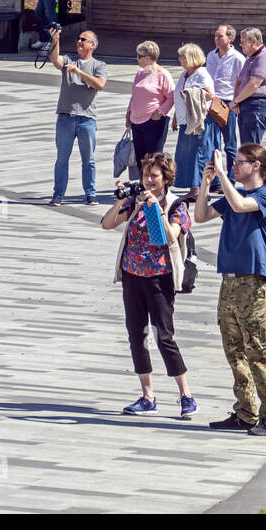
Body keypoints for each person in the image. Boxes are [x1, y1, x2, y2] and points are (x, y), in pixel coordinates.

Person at [196, 143, 266, 437]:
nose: (235, 166)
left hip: (253, 282)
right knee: (234, 350)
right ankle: (245, 412)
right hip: (229, 280)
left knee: (260, 350)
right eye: (234, 162)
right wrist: (206, 183)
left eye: (240, 162)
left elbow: (239, 205)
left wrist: (222, 174)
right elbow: (200, 216)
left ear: (257, 165)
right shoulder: (233, 193)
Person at [100, 151, 196, 419]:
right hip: (132, 276)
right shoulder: (135, 202)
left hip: (159, 279)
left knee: (163, 336)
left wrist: (156, 209)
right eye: (145, 175)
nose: (149, 180)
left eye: (154, 176)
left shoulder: (177, 205)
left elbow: (168, 237)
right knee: (136, 335)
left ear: (166, 179)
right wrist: (122, 200)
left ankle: (186, 395)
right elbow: (107, 224)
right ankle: (147, 396)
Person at [48, 27, 108, 206]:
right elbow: (55, 60)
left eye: (83, 39)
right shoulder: (69, 60)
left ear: (93, 45)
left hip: (86, 119)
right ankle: (58, 194)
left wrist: (79, 72)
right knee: (61, 159)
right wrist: (55, 39)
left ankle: (90, 194)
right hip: (65, 117)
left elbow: (100, 84)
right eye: (78, 39)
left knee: (88, 160)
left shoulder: (99, 65)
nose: (79, 42)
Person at [172, 42, 219, 199]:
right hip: (185, 120)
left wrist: (191, 93)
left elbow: (210, 95)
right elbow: (179, 97)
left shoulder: (202, 74)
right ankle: (194, 188)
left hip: (199, 121)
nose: (179, 59)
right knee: (186, 154)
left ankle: (199, 190)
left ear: (191, 58)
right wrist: (175, 117)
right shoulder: (185, 74)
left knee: (198, 154)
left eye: (182, 56)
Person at [126, 40, 175, 173]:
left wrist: (160, 112)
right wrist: (128, 113)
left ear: (147, 58)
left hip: (154, 122)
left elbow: (171, 97)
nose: (137, 59)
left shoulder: (163, 74)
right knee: (140, 159)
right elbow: (134, 95)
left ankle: (158, 183)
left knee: (154, 159)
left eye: (139, 56)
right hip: (136, 121)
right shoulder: (139, 74)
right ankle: (143, 183)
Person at [232, 27, 266, 145]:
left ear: (254, 41)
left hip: (257, 106)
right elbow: (240, 80)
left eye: (243, 41)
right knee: (246, 146)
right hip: (247, 105)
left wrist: (236, 101)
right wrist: (236, 99)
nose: (240, 44)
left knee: (251, 147)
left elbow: (254, 84)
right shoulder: (251, 57)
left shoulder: (263, 57)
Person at [206, 24, 244, 152]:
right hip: (212, 101)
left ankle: (231, 166)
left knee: (230, 143)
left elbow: (243, 81)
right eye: (215, 35)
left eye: (220, 36)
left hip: (228, 103)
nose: (216, 38)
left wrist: (237, 102)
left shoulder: (238, 58)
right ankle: (214, 165)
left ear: (230, 38)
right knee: (211, 142)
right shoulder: (211, 55)